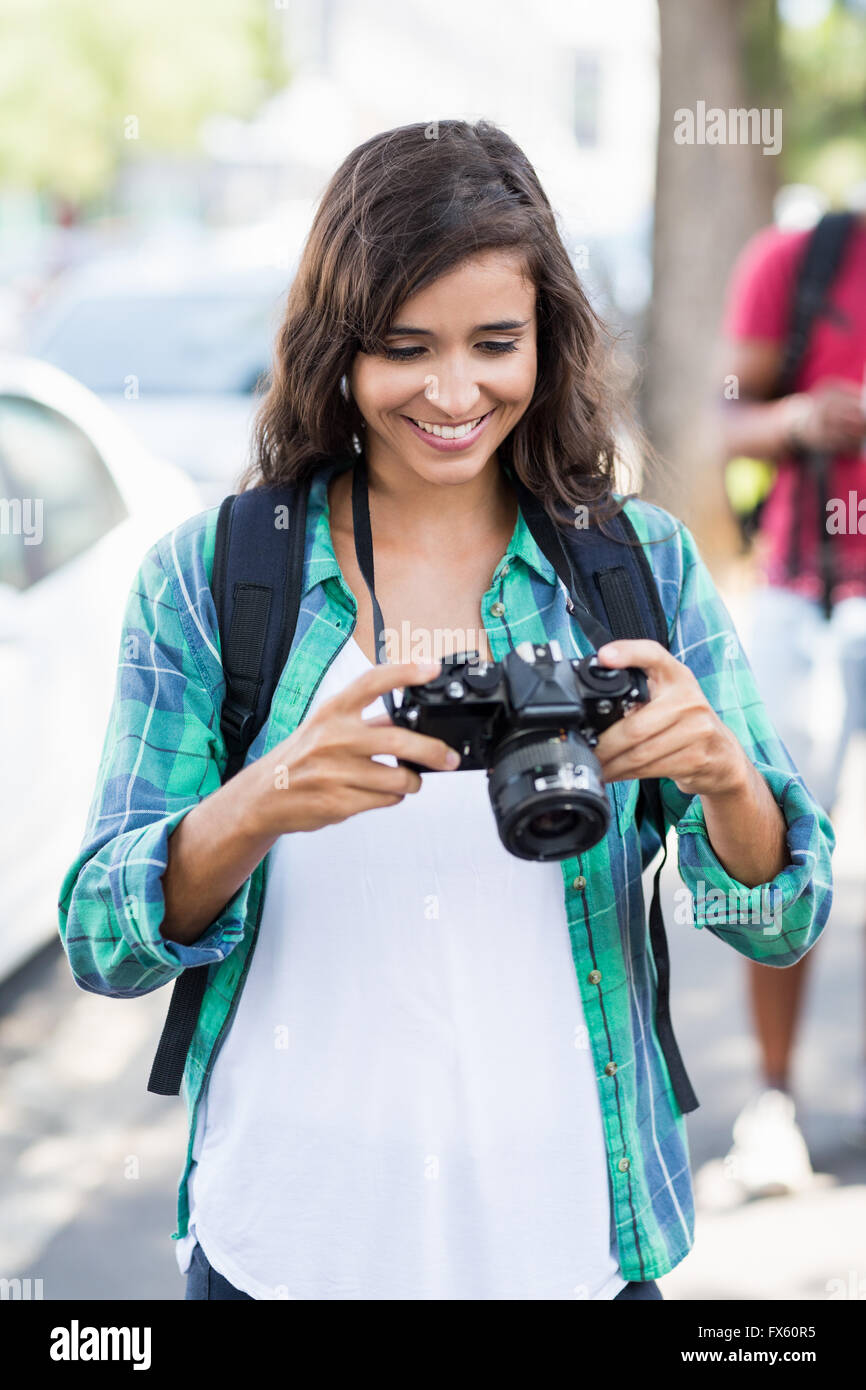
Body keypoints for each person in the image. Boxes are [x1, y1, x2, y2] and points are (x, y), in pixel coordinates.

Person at [58, 120, 834, 1301]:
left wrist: (725, 782)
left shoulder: (638, 572)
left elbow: (778, 918)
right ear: (336, 349)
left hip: (572, 1243)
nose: (453, 391)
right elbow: (100, 942)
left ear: (546, 341)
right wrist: (257, 803)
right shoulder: (213, 581)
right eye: (403, 348)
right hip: (284, 1244)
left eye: (494, 343)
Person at [717, 210, 866, 1196]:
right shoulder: (796, 258)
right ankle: (769, 1103)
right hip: (799, 594)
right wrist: (797, 419)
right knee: (778, 845)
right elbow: (723, 418)